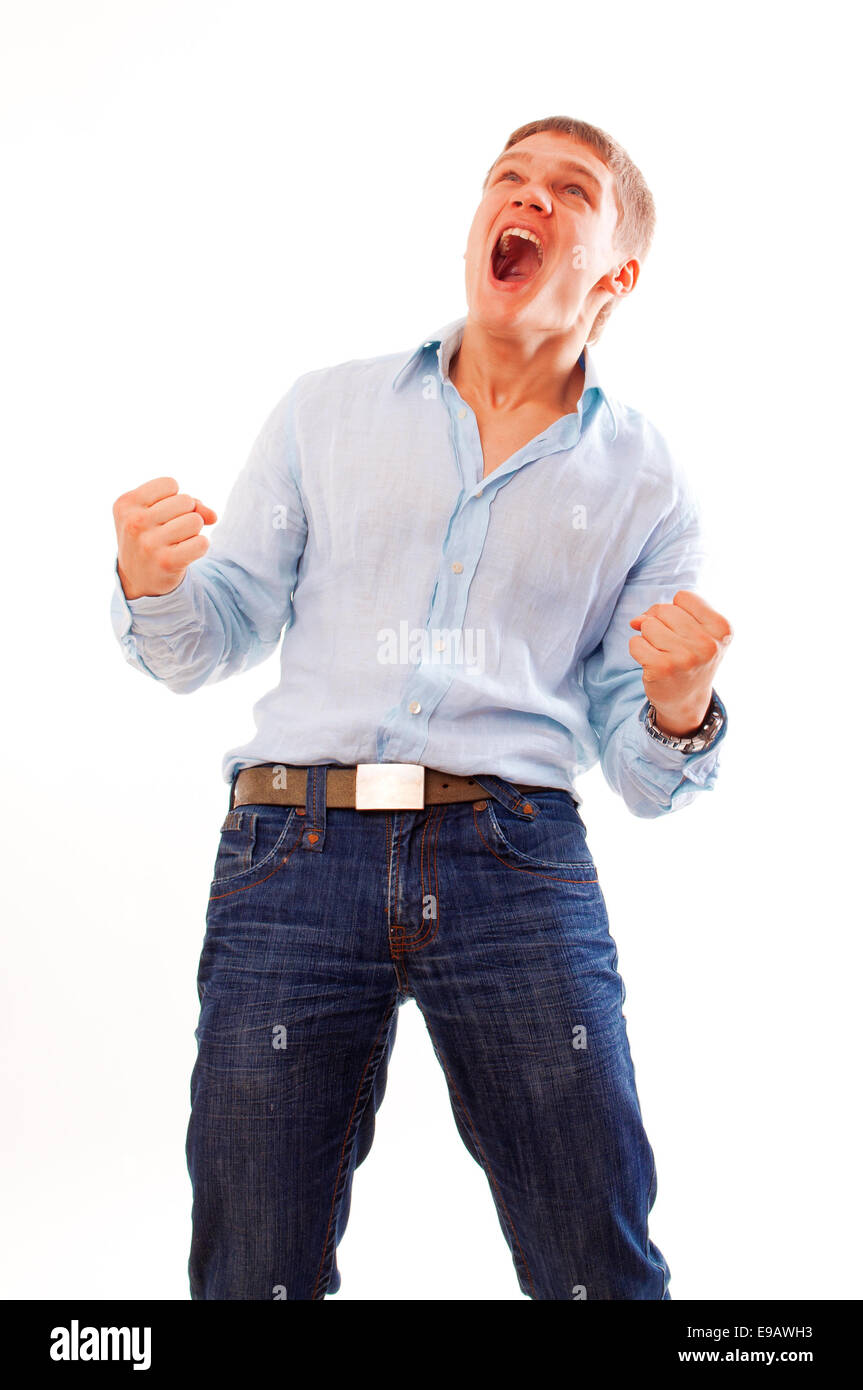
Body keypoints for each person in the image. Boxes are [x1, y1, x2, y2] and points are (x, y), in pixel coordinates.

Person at [110, 115, 732, 1300]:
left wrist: (679, 706)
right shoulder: (325, 410)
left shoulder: (647, 482)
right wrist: (152, 582)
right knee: (252, 1271)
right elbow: (217, 631)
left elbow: (643, 767)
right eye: (508, 180)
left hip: (512, 863)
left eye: (567, 190)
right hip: (290, 851)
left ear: (617, 274)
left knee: (597, 1266)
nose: (527, 199)